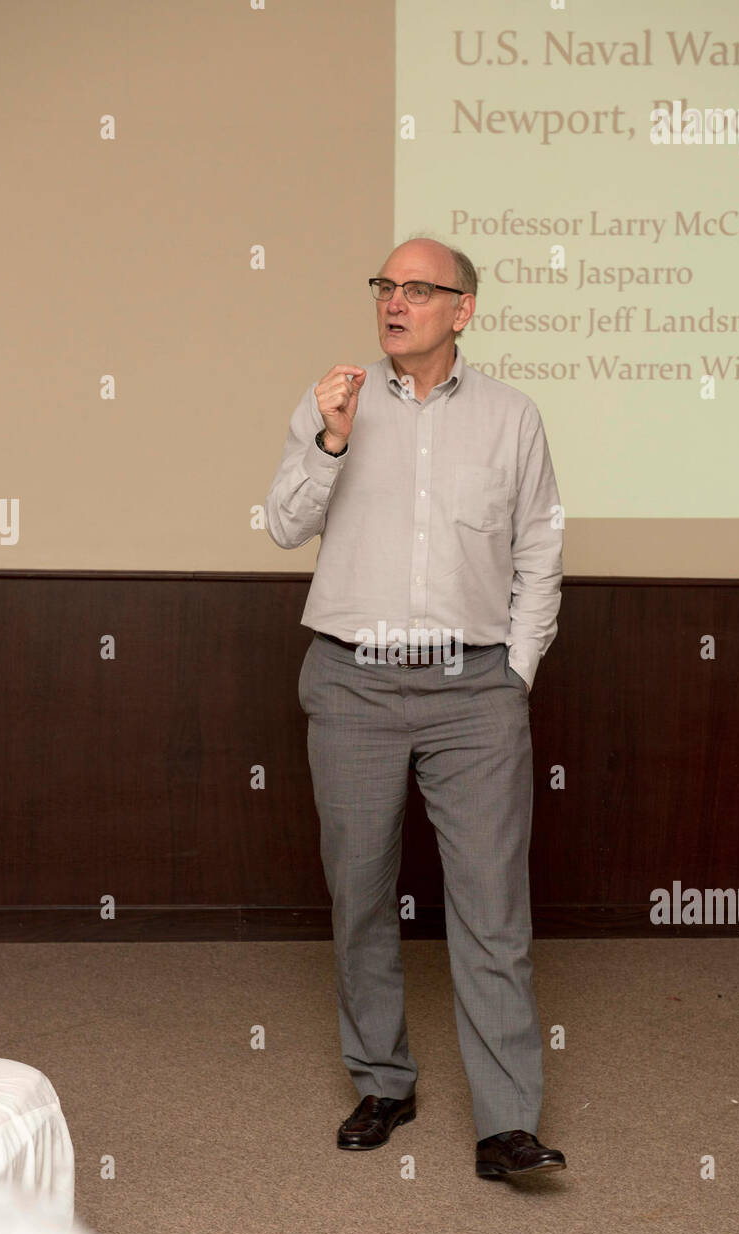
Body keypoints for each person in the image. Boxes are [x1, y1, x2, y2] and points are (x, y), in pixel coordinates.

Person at [265, 238, 566, 1179]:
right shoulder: (334, 405)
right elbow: (281, 525)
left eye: (419, 289)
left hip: (473, 690)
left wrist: (510, 672)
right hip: (353, 680)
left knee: (490, 907)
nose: (395, 302)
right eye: (385, 287)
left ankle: (504, 1122)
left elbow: (538, 555)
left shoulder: (513, 418)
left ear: (462, 309)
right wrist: (330, 441)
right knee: (359, 893)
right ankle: (383, 1081)